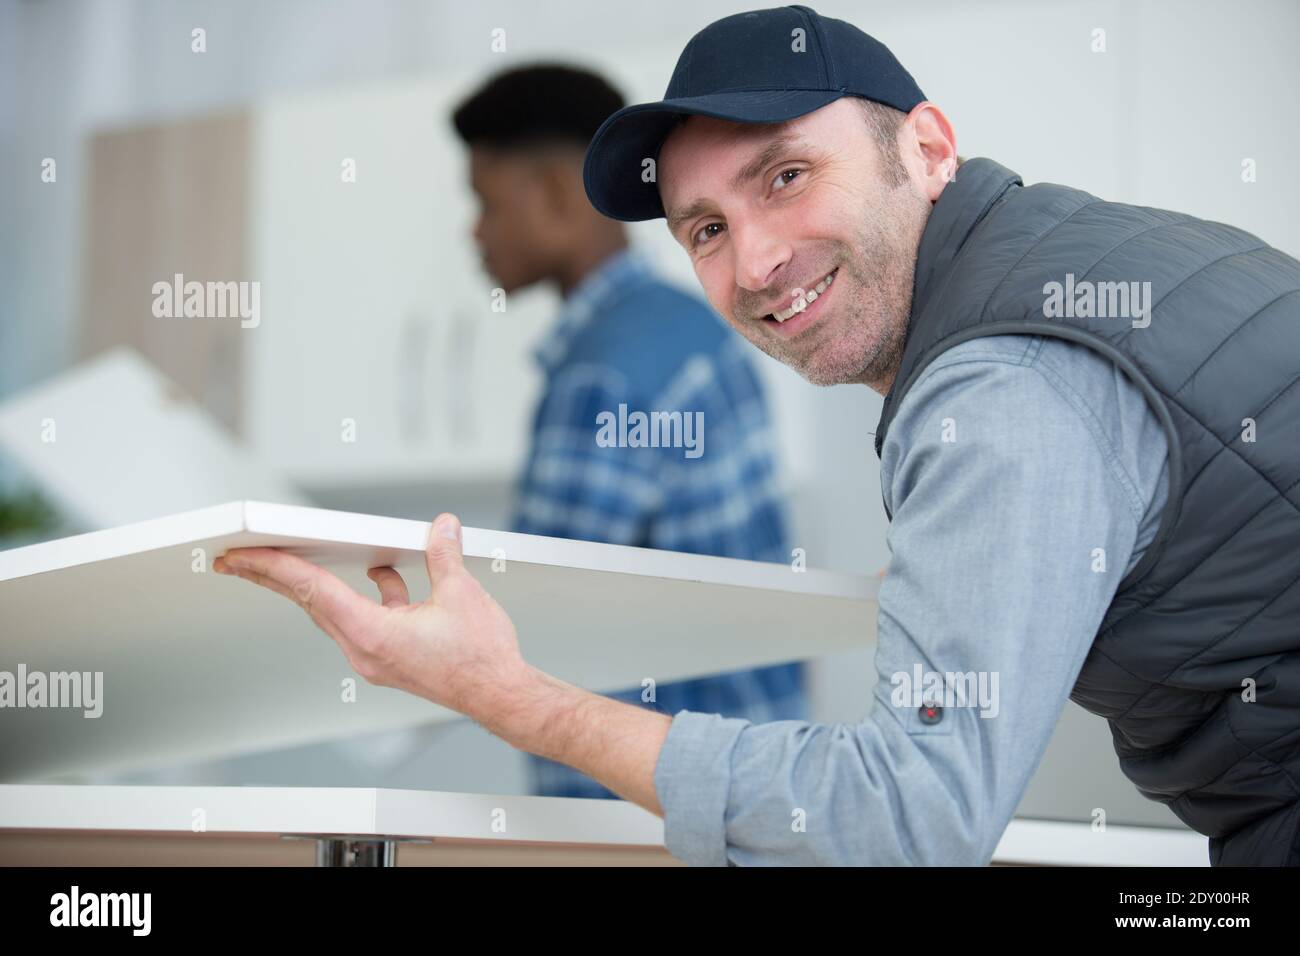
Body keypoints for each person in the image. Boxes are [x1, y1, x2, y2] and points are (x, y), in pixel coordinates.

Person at [216, 5, 1300, 865]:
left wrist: (496, 691)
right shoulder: (1076, 264)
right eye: (706, 229)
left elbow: (909, 822)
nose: (756, 262)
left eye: (786, 175)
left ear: (926, 146)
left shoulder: (998, 385)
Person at [449, 64, 806, 798]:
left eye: (484, 202)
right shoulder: (691, 327)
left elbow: (533, 625)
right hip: (746, 784)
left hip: (636, 812)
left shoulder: (600, 375)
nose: (474, 230)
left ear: (551, 192)